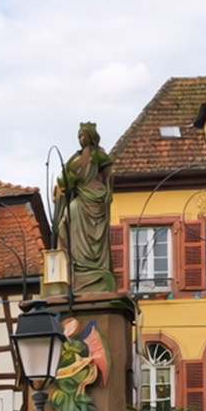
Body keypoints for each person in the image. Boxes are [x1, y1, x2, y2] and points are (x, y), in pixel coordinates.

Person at [54, 122, 117, 295]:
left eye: (83, 135)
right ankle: (76, 266)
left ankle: (94, 268)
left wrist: (104, 193)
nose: (81, 139)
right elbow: (65, 180)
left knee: (73, 222)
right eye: (79, 136)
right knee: (64, 226)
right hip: (81, 200)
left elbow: (108, 176)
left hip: (95, 199)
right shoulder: (76, 158)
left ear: (91, 136)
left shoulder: (100, 156)